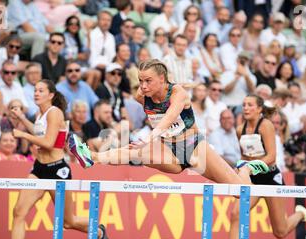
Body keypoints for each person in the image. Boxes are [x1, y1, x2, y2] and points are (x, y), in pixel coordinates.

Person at [68, 59, 270, 198]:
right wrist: (151, 140)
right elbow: (152, 107)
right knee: (134, 152)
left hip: (195, 149)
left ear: (162, 80)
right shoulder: (141, 96)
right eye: (140, 81)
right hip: (169, 150)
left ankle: (245, 168)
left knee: (240, 192)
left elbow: (171, 115)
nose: (143, 86)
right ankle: (90, 157)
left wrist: (150, 136)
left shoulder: (178, 93)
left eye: (148, 81)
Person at [0, 79, 109, 239]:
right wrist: (23, 119)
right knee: (18, 211)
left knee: (69, 221)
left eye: (40, 90)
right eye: (34, 90)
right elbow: (39, 132)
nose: (36, 93)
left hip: (57, 170)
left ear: (50, 95)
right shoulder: (40, 114)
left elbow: (49, 142)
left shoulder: (55, 113)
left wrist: (23, 135)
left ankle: (99, 230)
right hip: (39, 169)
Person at [213, 95, 306, 239]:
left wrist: (249, 167)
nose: (246, 108)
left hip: (270, 178)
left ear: (259, 109)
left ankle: (301, 213)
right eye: (244, 104)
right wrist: (241, 167)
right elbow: (246, 156)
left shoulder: (266, 126)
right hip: (254, 180)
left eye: (250, 105)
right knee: (236, 213)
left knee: (280, 231)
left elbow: (271, 157)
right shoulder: (240, 130)